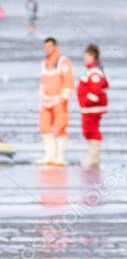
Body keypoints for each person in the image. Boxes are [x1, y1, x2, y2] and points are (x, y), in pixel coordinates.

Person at [37, 37, 73, 166]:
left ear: (55, 47)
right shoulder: (44, 63)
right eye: (45, 47)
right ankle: (49, 155)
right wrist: (41, 96)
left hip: (59, 100)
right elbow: (43, 81)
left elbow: (69, 81)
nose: (47, 49)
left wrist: (64, 98)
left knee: (60, 128)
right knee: (44, 127)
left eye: (49, 46)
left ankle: (60, 157)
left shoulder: (62, 61)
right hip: (46, 101)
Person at [76, 43, 108, 167]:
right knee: (88, 131)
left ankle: (94, 157)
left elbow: (95, 91)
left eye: (86, 56)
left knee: (91, 131)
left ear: (92, 56)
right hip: (89, 108)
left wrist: (86, 101)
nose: (84, 58)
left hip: (92, 108)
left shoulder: (94, 72)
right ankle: (92, 156)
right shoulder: (92, 70)